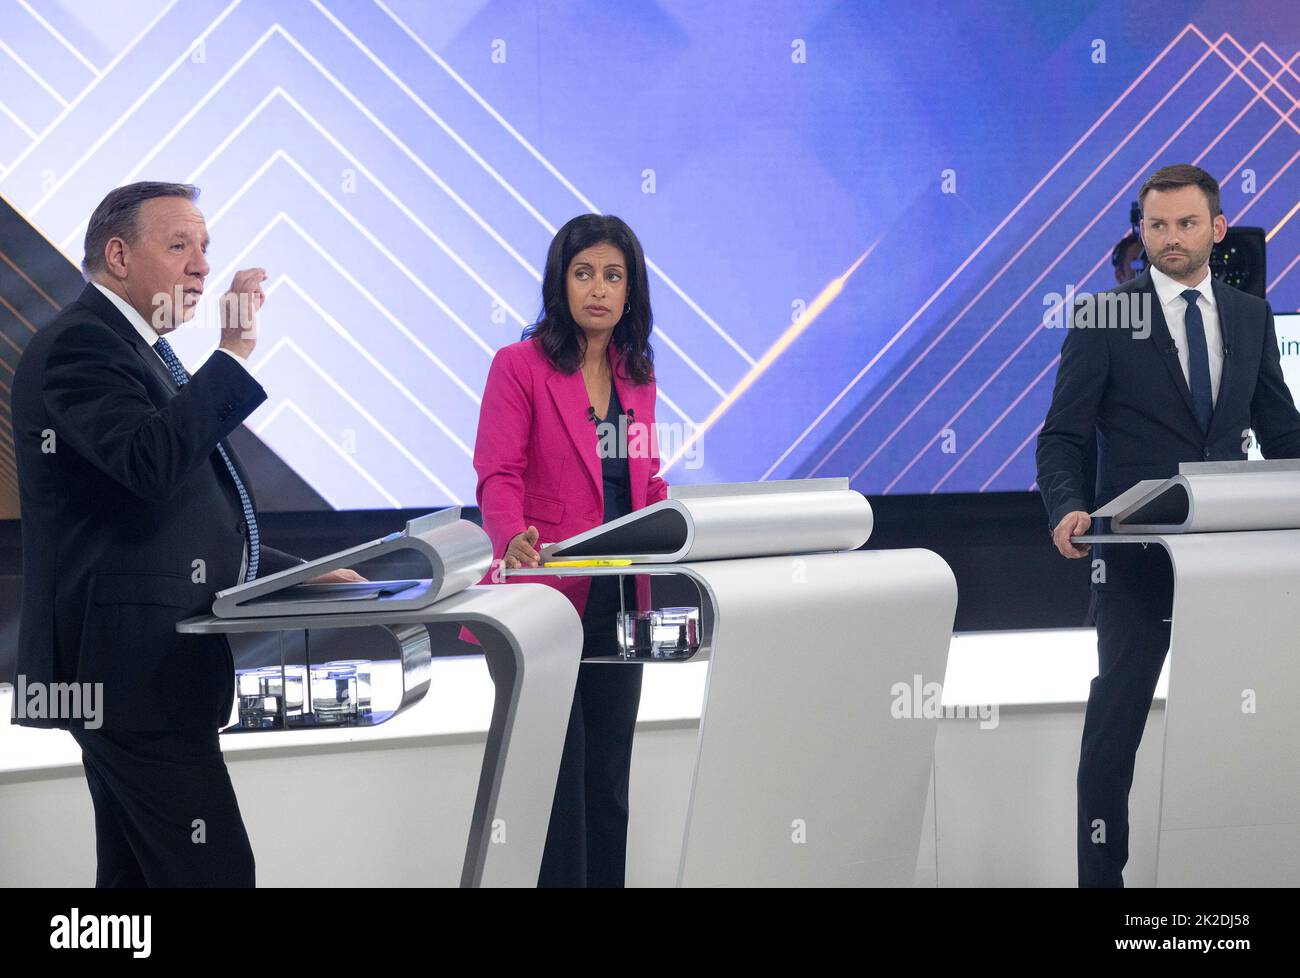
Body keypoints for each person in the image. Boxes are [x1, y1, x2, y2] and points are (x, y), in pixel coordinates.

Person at [11, 181, 359, 887]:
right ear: (117, 255)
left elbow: (178, 519)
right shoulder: (82, 344)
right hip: (126, 676)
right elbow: (150, 463)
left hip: (140, 676)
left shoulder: (133, 350)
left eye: (205, 248)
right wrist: (232, 352)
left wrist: (295, 572)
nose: (202, 266)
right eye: (179, 246)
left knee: (134, 884)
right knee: (214, 874)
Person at [1036, 164, 1300, 887]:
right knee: (1116, 725)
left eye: (1187, 224)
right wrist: (1066, 509)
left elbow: (1281, 431)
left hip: (1235, 563)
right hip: (1135, 559)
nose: (1172, 239)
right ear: (1140, 231)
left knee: (1248, 722)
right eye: (1157, 226)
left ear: (1216, 228)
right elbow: (1062, 437)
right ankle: (1102, 880)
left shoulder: (1249, 316)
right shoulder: (1103, 317)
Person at [471, 214, 669, 887]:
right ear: (561, 282)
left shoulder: (636, 374)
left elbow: (644, 476)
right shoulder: (518, 367)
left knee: (609, 784)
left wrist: (679, 519)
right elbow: (498, 474)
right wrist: (511, 536)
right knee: (564, 789)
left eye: (613, 276)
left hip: (620, 601)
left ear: (630, 290)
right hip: (546, 597)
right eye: (584, 272)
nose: (599, 288)